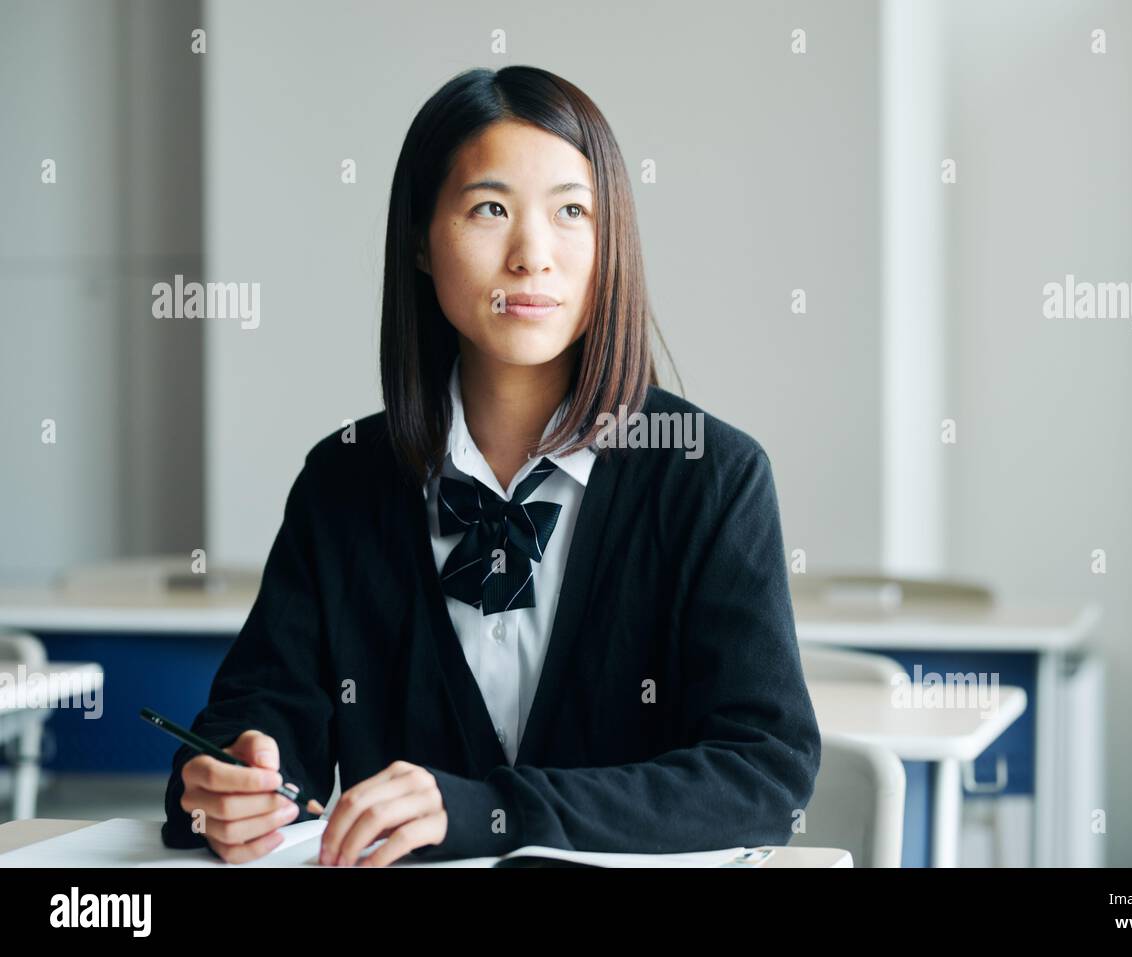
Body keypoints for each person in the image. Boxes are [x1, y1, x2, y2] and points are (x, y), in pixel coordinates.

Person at [161, 65, 820, 866]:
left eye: (572, 211)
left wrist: (492, 812)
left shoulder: (710, 476)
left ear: (611, 243)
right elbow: (263, 724)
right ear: (419, 239)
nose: (531, 255)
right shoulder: (344, 481)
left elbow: (764, 774)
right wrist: (231, 784)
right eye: (490, 209)